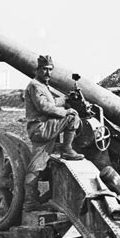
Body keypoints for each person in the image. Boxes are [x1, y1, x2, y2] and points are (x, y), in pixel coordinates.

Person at [23, 55, 85, 212]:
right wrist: (66, 111)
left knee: (36, 167)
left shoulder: (42, 86)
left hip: (43, 128)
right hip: (41, 128)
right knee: (72, 117)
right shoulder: (36, 86)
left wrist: (65, 99)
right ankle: (67, 149)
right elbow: (44, 108)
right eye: (44, 69)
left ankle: (30, 202)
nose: (48, 73)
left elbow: (51, 103)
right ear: (38, 69)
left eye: (50, 70)